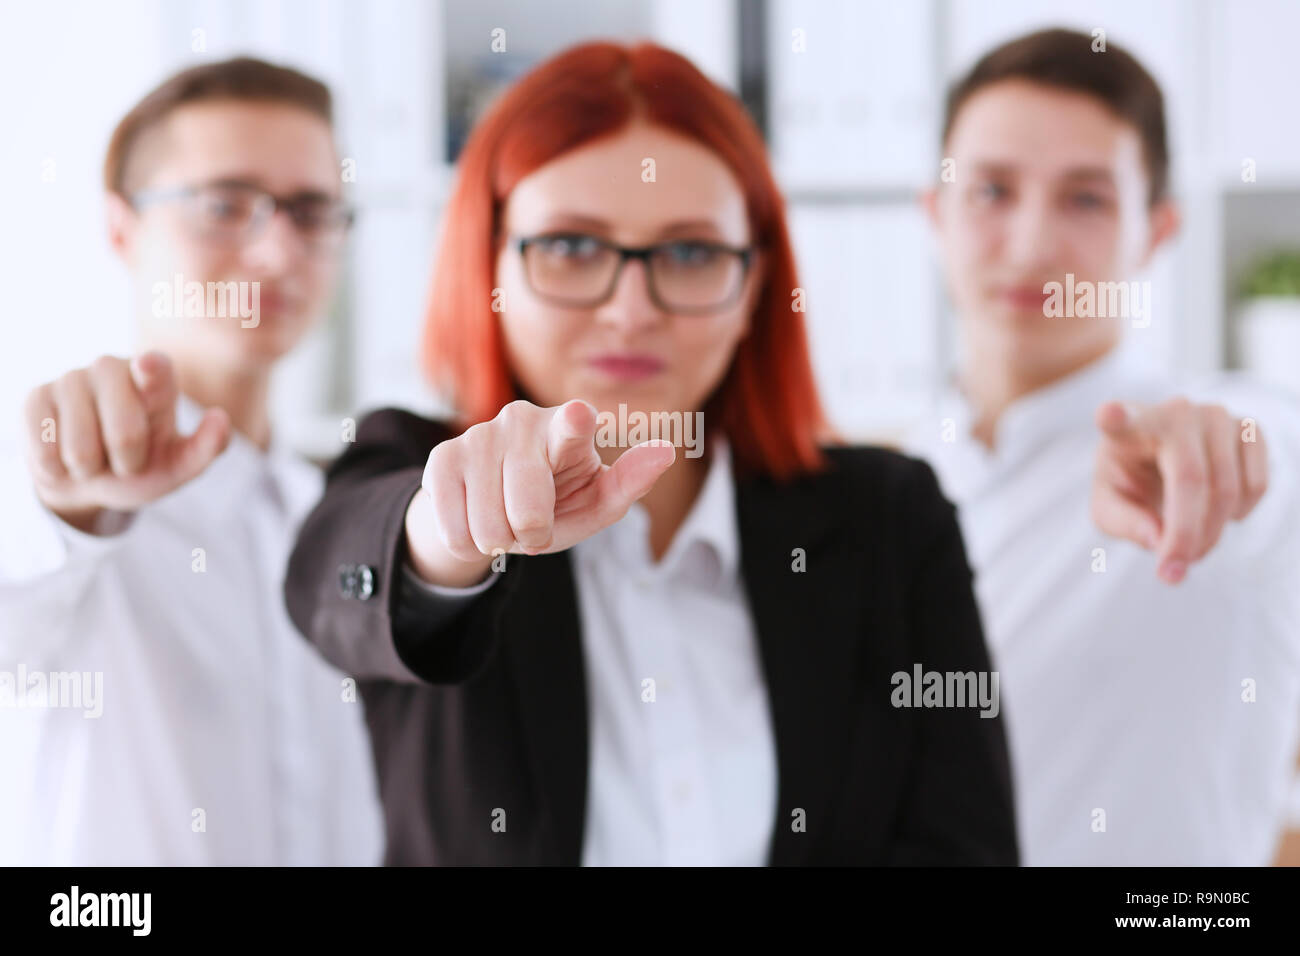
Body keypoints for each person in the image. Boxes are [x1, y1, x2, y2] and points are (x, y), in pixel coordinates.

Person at [284, 41, 1018, 866]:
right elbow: (333, 587)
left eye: (691, 253)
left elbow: (967, 848)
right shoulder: (406, 466)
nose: (631, 311)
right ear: (487, 263)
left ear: (754, 287)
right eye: (569, 246)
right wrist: (447, 540)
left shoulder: (890, 517)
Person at [910, 28, 1300, 865]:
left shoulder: (1214, 445)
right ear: (935, 213)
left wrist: (1223, 451)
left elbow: (1260, 452)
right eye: (990, 191)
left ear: (1157, 230)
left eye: (1086, 198)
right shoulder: (894, 484)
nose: (1031, 243)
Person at [0, 57, 383, 865]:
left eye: (311, 210)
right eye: (223, 205)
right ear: (120, 229)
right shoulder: (45, 493)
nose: (278, 253)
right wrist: (70, 516)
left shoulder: (335, 513)